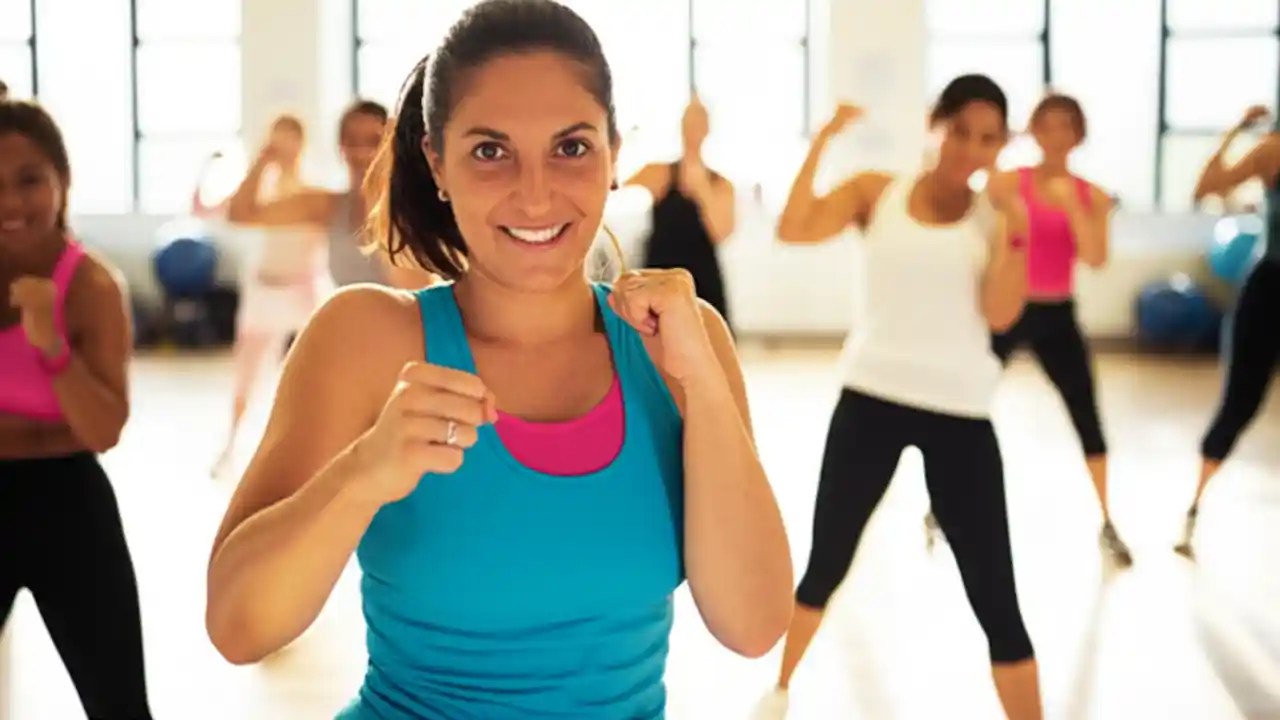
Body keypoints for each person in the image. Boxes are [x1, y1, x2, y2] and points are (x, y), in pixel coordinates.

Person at [205, 2, 793, 718]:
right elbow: (239, 627)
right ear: (436, 162)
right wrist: (363, 474)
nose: (535, 190)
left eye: (571, 147)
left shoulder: (678, 343)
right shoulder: (368, 338)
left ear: (614, 154)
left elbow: (753, 624)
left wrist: (698, 382)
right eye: (490, 150)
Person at [753, 75, 1042, 720]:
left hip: (960, 412)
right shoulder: (876, 192)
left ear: (1000, 147)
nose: (969, 148)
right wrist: (824, 137)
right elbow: (795, 228)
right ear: (934, 124)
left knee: (996, 596)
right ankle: (778, 690)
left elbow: (1000, 314)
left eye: (987, 139)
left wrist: (1017, 223)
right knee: (826, 559)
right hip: (871, 398)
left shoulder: (997, 217)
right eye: (959, 130)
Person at [924, 93, 1132, 568]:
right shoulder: (1005, 184)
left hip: (1058, 314)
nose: (1057, 135)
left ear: (1078, 136)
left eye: (1067, 126)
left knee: (1087, 415)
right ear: (1034, 131)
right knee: (965, 406)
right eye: (1048, 124)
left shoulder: (1090, 195)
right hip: (1007, 310)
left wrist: (1074, 208)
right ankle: (941, 505)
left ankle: (1107, 520)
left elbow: (1097, 260)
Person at [0, 100, 152, 719]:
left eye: (29, 179)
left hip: (69, 506)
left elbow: (102, 429)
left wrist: (54, 349)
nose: (10, 201)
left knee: (118, 705)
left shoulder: (90, 287)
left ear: (62, 181)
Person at [1178, 104, 1280, 558]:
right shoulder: (1273, 151)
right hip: (1270, 292)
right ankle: (1192, 513)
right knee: (1239, 402)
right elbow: (1205, 188)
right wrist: (1235, 130)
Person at [212, 114, 329, 475]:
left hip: (300, 294)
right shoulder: (260, 190)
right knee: (246, 373)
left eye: (289, 140)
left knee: (305, 377)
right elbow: (230, 212)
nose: (282, 148)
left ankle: (306, 451)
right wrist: (259, 164)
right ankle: (231, 446)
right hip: (264, 291)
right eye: (276, 140)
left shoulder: (311, 194)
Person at [226, 100, 435, 291]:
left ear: (389, 148)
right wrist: (265, 158)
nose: (361, 152)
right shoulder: (329, 205)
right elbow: (241, 214)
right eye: (351, 141)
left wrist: (377, 197)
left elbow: (414, 289)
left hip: (401, 327)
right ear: (340, 147)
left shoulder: (409, 212)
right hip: (347, 326)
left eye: (373, 141)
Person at [626, 96, 736, 328]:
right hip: (658, 275)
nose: (694, 128)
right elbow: (614, 188)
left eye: (699, 121)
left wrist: (702, 190)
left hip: (702, 281)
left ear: (708, 128)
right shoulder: (658, 173)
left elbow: (722, 232)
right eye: (689, 121)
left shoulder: (720, 184)